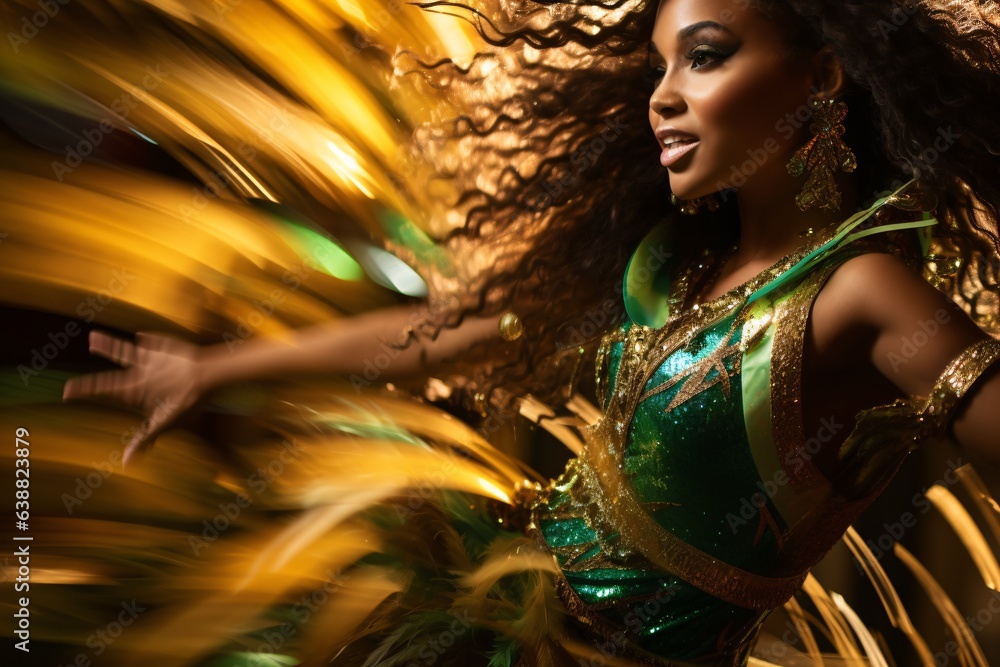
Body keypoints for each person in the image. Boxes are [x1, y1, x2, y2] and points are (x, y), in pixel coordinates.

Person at [11, 0, 1000, 665]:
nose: (661, 94)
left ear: (822, 75)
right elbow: (459, 333)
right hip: (483, 620)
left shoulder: (860, 294)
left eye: (703, 56)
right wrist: (219, 365)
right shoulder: (668, 266)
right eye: (657, 64)